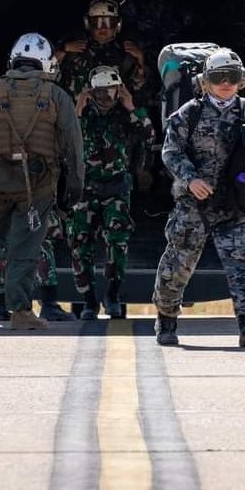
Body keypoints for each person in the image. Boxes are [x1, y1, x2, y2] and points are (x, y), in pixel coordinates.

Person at [0, 32, 84, 331]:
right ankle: (20, 311)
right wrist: (74, 189)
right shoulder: (57, 96)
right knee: (25, 248)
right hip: (38, 186)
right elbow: (73, 148)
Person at [152, 48, 245, 348]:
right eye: (218, 78)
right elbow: (171, 152)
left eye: (231, 77)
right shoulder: (188, 114)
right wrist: (191, 180)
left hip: (236, 205)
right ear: (206, 81)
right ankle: (166, 319)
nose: (225, 84)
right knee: (178, 264)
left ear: (241, 79)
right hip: (195, 205)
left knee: (242, 264)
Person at [68, 66, 155, 320]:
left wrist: (130, 107)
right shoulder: (82, 117)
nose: (106, 98)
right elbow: (66, 140)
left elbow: (150, 136)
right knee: (80, 245)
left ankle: (113, 295)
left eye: (111, 93)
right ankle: (88, 301)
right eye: (100, 93)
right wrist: (78, 108)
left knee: (117, 243)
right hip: (85, 190)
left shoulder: (126, 117)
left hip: (116, 189)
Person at [0, 209, 75, 322]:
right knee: (42, 238)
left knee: (3, 240)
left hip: (4, 198)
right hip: (33, 198)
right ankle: (49, 305)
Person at [56, 0, 146, 102]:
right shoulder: (73, 47)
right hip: (75, 110)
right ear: (88, 24)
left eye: (109, 22)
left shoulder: (126, 52)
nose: (103, 28)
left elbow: (137, 89)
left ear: (118, 25)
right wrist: (63, 49)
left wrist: (140, 59)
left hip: (112, 111)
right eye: (97, 22)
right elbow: (47, 73)